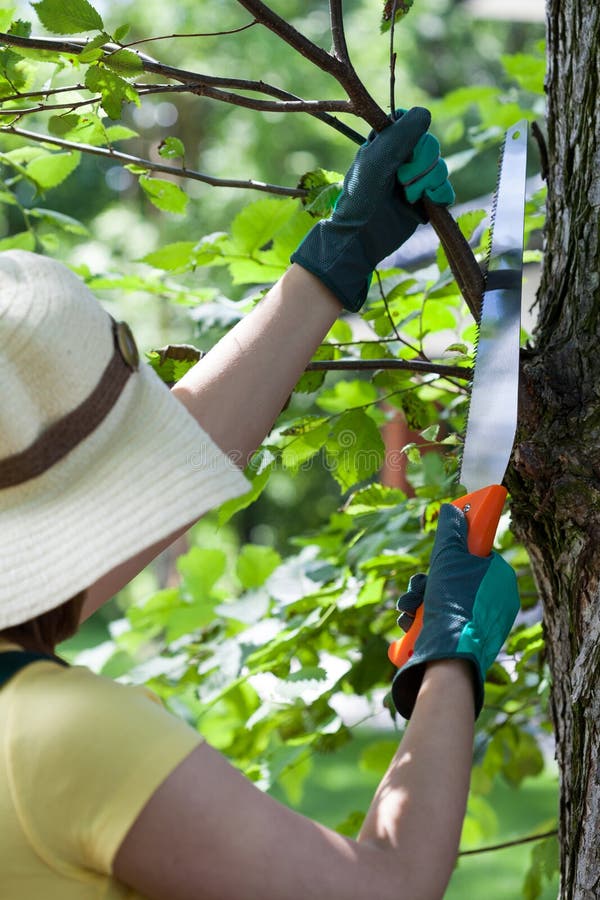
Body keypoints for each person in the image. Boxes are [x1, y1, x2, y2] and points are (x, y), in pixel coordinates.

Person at [0, 107, 519, 900]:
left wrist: (336, 258)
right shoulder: (61, 739)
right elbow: (387, 889)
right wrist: (450, 656)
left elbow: (170, 467)